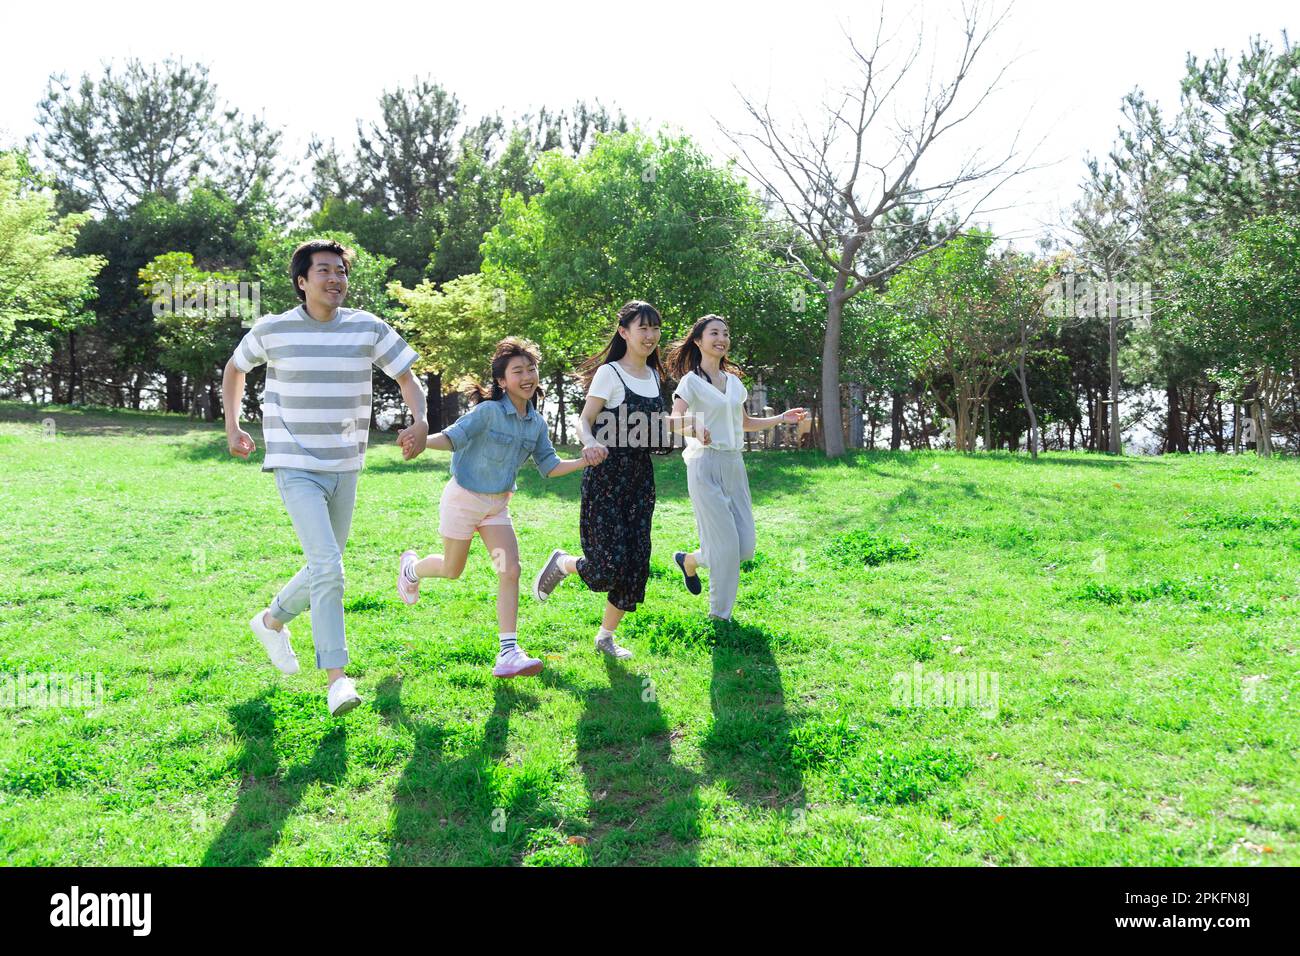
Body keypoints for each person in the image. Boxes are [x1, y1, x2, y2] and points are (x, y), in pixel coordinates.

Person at [222, 238, 428, 716]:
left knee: (325, 564)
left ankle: (271, 620)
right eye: (324, 271)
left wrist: (419, 419)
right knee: (330, 568)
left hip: (346, 464)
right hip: (294, 463)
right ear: (302, 281)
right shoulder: (274, 329)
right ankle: (337, 677)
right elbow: (235, 368)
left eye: (341, 271)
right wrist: (232, 425)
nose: (335, 279)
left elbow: (406, 377)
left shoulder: (367, 328)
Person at [396, 337, 590, 678]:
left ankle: (508, 651)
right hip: (463, 500)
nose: (527, 376)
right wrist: (421, 441)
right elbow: (452, 437)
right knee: (452, 570)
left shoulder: (536, 424)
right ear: (502, 381)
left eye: (531, 369)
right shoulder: (487, 413)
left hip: (496, 509)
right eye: (518, 371)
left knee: (509, 570)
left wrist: (583, 461)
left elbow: (550, 466)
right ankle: (411, 570)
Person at [530, 301, 697, 659]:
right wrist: (589, 442)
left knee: (636, 563)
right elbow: (584, 420)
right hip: (606, 478)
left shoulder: (654, 377)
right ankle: (563, 564)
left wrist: (689, 426)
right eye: (643, 328)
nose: (650, 336)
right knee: (606, 565)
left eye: (655, 328)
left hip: (640, 481)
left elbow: (658, 424)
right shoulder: (611, 374)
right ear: (624, 332)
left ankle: (605, 637)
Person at [664, 314, 806, 620]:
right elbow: (673, 421)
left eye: (726, 334)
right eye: (714, 333)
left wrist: (782, 418)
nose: (722, 339)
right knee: (725, 545)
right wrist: (693, 427)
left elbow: (745, 422)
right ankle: (719, 617)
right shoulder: (691, 382)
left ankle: (690, 560)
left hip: (734, 464)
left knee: (743, 549)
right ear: (699, 341)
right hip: (704, 464)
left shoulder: (733, 383)